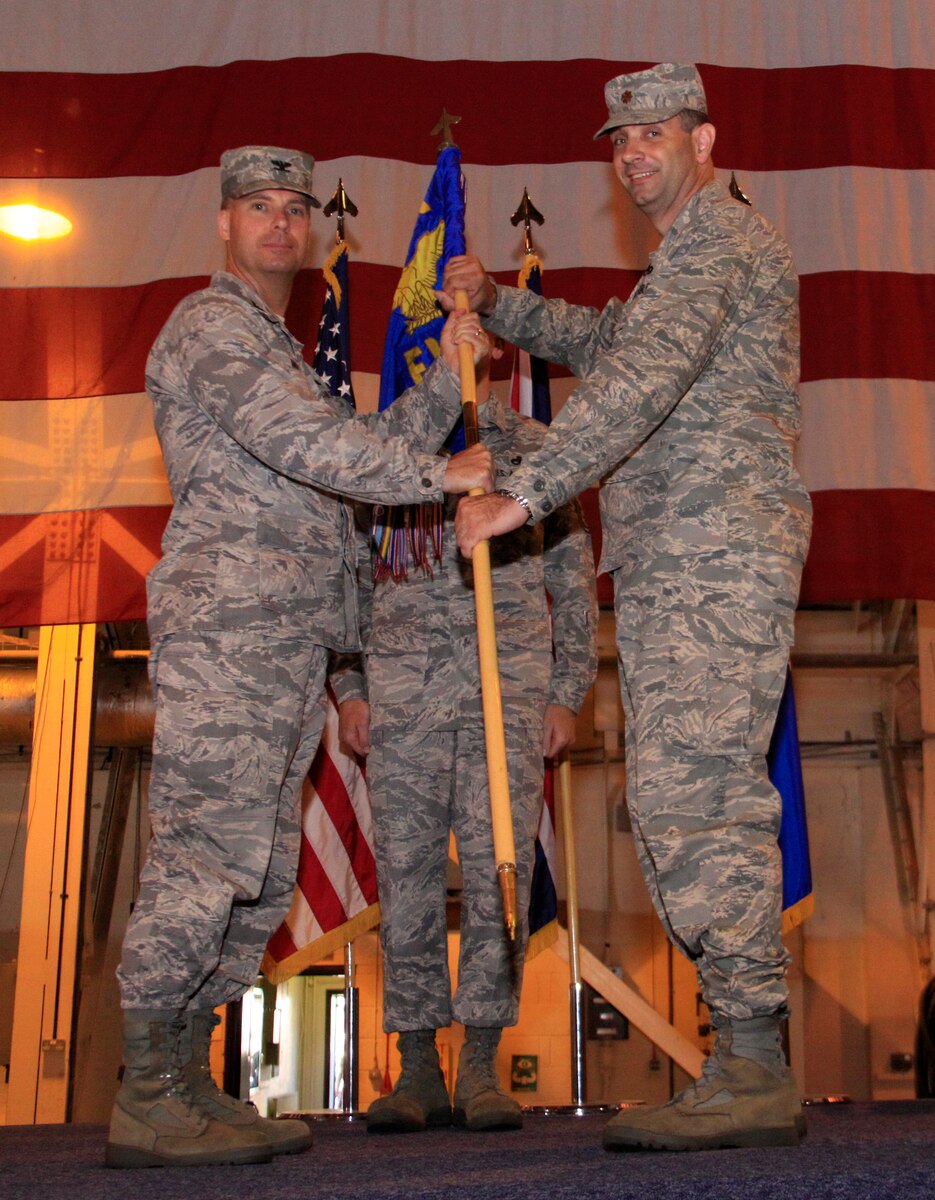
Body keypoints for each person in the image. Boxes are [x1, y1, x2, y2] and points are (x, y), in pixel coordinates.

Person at [442, 64, 813, 1152]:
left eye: (654, 131)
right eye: (619, 139)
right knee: (671, 793)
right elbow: (615, 342)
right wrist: (500, 304)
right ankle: (743, 1057)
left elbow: (644, 371)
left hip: (714, 549)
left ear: (704, 139)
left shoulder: (721, 239)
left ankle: (752, 1065)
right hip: (677, 560)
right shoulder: (686, 257)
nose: (632, 152)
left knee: (695, 790)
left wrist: (530, 489)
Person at [107, 145, 493, 1169]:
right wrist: (438, 469)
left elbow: (343, 440)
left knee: (257, 865)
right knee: (206, 852)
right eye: (259, 209)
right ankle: (145, 1090)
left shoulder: (275, 348)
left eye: (295, 209)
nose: (281, 224)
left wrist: (440, 391)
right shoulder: (208, 329)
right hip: (230, 628)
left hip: (282, 639)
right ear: (225, 227)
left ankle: (187, 1077)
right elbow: (306, 447)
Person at [333, 336, 598, 1133]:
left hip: (505, 701)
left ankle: (481, 1061)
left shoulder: (534, 451)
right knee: (406, 878)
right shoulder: (385, 449)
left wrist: (564, 692)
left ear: (492, 355)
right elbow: (343, 576)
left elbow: (574, 583)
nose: (462, 354)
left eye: (474, 343)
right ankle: (416, 1065)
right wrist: (347, 686)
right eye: (446, 343)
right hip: (401, 704)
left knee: (498, 878)